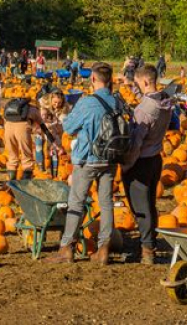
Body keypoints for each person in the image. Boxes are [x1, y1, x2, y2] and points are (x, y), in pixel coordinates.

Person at [47, 62, 118, 265]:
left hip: (88, 158)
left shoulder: (88, 103)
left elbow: (68, 128)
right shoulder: (116, 101)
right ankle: (104, 248)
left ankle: (66, 248)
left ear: (93, 79)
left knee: (76, 202)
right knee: (105, 203)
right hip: (111, 158)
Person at [122, 64, 174, 265]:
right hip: (155, 158)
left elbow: (136, 142)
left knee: (140, 207)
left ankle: (147, 250)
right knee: (150, 203)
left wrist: (127, 164)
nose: (137, 86)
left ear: (144, 81)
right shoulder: (166, 101)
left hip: (140, 161)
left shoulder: (145, 109)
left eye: (137, 83)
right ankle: (150, 241)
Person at [2, 95, 43, 181]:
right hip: (22, 130)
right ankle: (25, 182)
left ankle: (10, 183)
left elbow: (4, 119)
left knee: (12, 157)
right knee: (26, 156)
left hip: (8, 129)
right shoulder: (33, 109)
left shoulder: (9, 106)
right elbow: (42, 124)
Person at [35, 89, 67, 178]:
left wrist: (55, 126)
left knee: (54, 152)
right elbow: (39, 100)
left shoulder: (63, 113)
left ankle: (54, 175)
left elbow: (61, 128)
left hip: (54, 134)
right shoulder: (45, 107)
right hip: (41, 131)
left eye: (59, 103)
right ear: (51, 99)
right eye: (55, 102)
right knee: (38, 145)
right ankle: (41, 170)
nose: (57, 105)